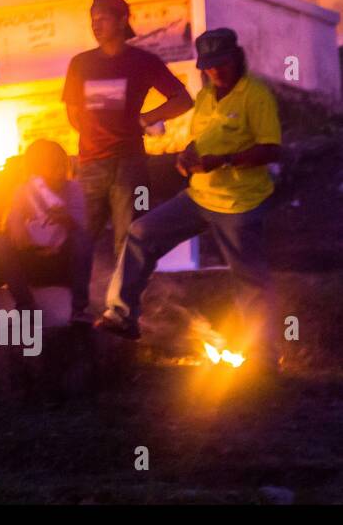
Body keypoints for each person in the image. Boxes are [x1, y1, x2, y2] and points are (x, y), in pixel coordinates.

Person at [98, 30, 282, 368]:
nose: (214, 72)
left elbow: (271, 149)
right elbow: (201, 139)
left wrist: (223, 160)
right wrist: (187, 155)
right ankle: (121, 315)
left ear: (236, 57)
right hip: (200, 195)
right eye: (208, 67)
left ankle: (264, 359)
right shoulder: (207, 96)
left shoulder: (256, 95)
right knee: (141, 233)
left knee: (250, 280)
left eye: (220, 64)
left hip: (239, 203)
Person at [62, 0, 193, 321]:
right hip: (89, 163)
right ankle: (76, 308)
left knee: (129, 238)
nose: (96, 25)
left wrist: (148, 118)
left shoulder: (142, 62)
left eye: (103, 18)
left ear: (122, 21)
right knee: (80, 236)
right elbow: (72, 111)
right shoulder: (81, 63)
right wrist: (91, 138)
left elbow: (183, 99)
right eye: (92, 19)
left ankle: (124, 313)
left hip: (130, 165)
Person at [0, 139, 92, 314]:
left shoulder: (73, 189)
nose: (60, 171)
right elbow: (12, 225)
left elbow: (81, 223)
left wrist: (65, 219)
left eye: (62, 165)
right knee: (1, 243)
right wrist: (18, 227)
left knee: (83, 240)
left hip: (60, 262)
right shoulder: (22, 191)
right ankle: (25, 304)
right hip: (32, 260)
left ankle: (79, 308)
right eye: (53, 166)